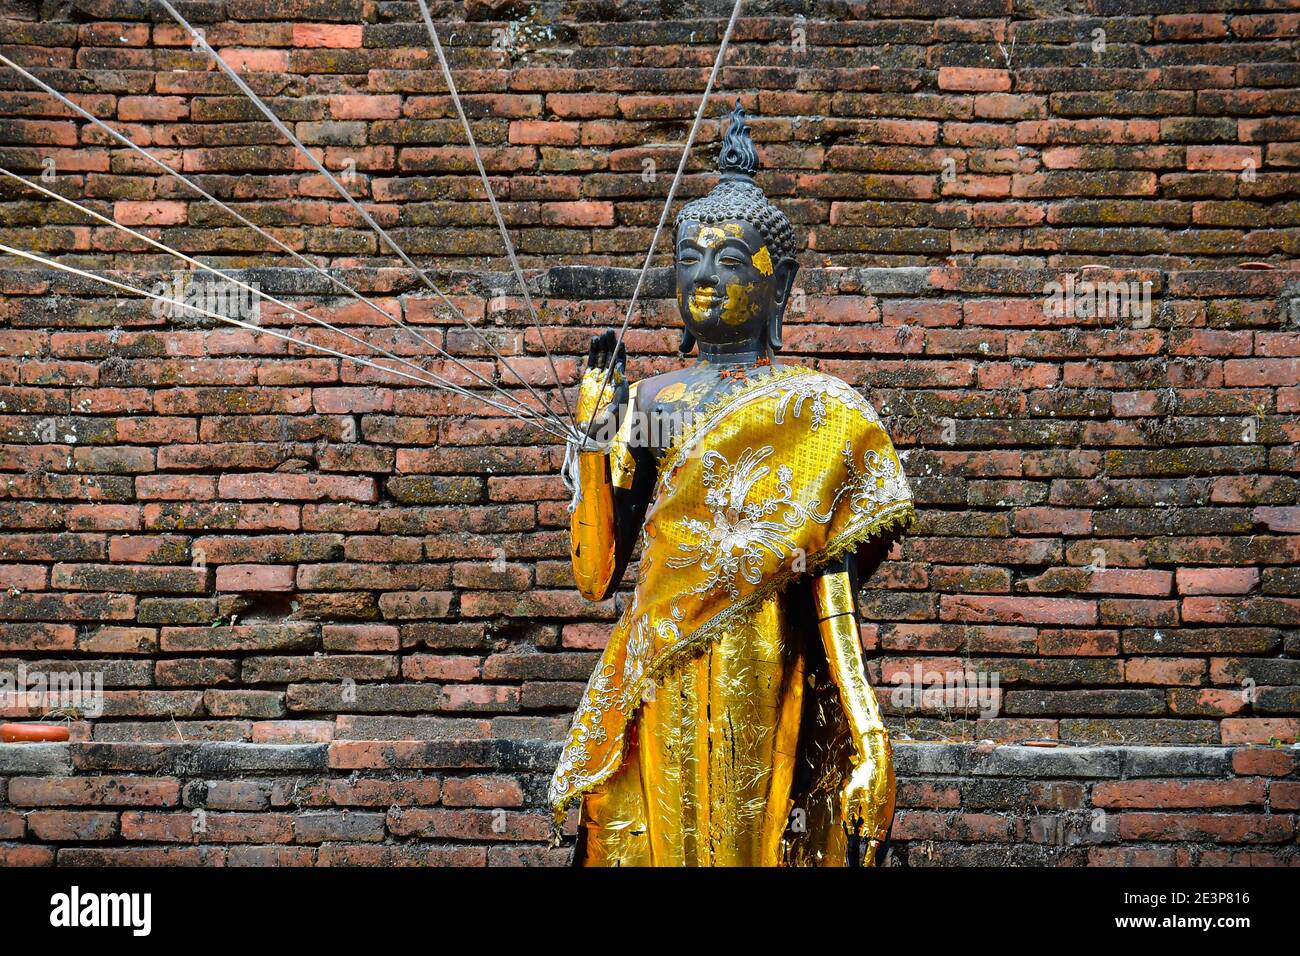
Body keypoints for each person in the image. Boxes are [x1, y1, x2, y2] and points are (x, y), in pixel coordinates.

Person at [550, 103, 915, 866]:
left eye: (727, 258)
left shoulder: (815, 410)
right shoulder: (652, 402)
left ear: (778, 281)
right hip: (656, 660)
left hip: (763, 651)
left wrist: (870, 734)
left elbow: (832, 591)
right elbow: (594, 577)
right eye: (689, 259)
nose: (704, 277)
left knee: (746, 844)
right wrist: (592, 438)